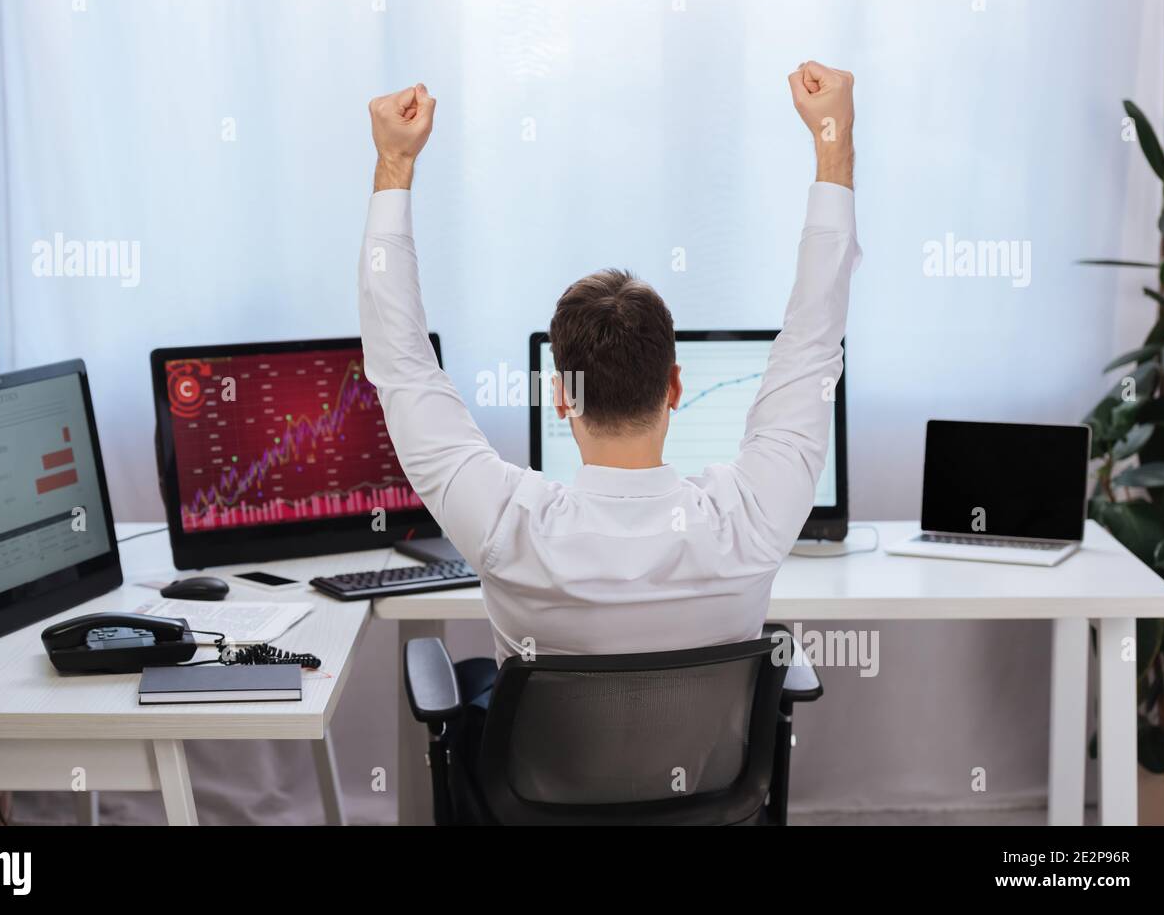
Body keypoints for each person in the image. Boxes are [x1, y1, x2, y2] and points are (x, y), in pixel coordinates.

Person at [358, 63, 860, 814]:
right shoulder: (752, 517)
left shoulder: (507, 522)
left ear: (562, 397)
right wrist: (833, 141)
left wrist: (394, 163)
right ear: (676, 387)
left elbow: (400, 368)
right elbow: (816, 336)